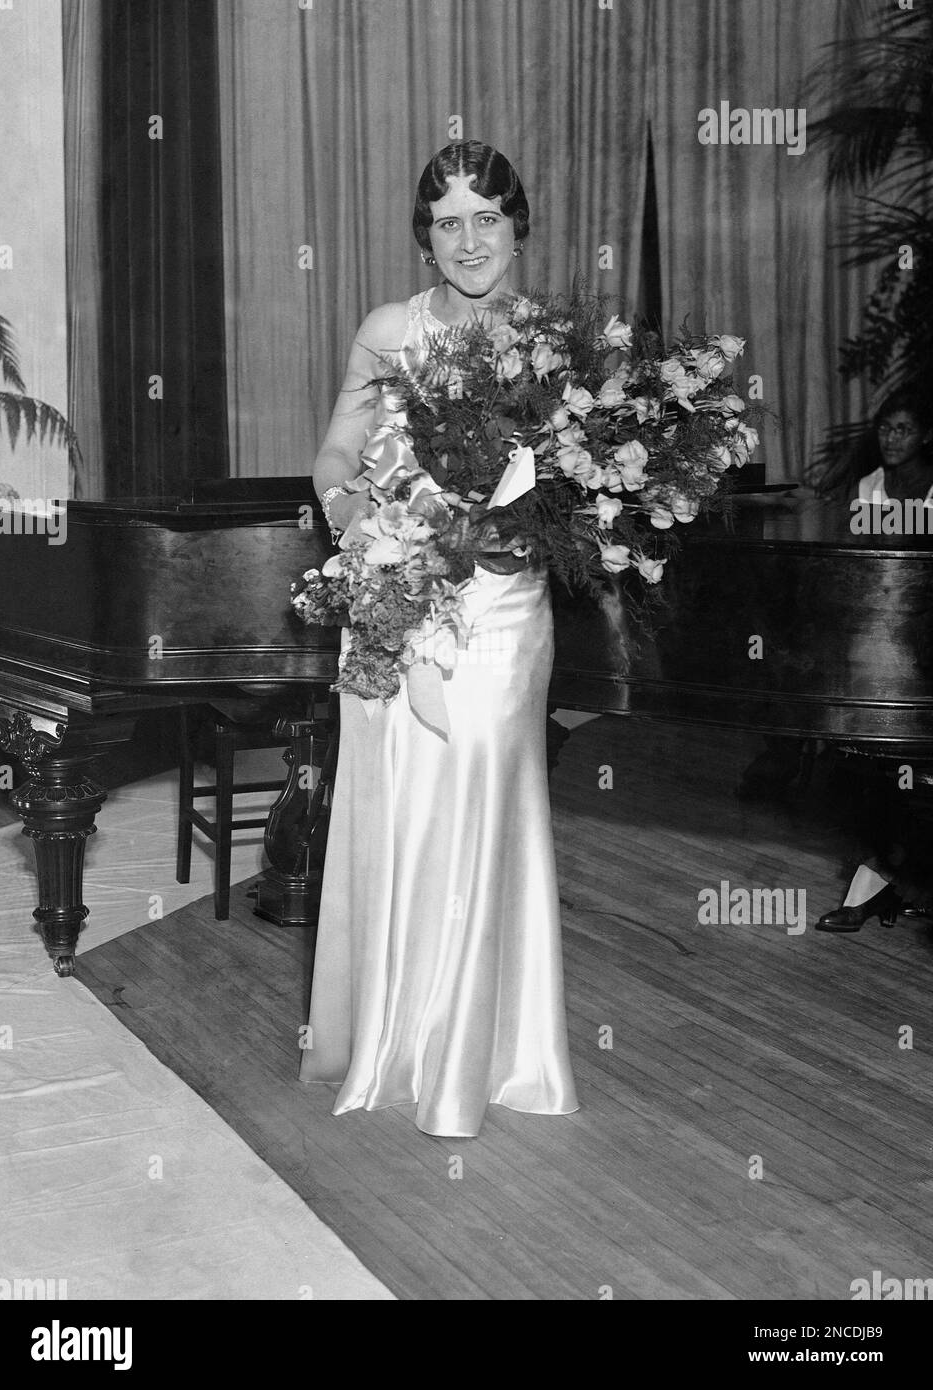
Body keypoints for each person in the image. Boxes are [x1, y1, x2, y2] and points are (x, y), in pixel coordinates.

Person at [298, 142, 579, 1136]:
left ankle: (479, 1052)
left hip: (503, 607)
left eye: (488, 219)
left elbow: (574, 483)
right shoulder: (388, 329)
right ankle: (392, 1036)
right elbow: (339, 443)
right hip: (394, 587)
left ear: (517, 224)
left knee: (480, 796)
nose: (470, 241)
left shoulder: (555, 340)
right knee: (397, 803)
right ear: (425, 234)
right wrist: (351, 520)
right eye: (449, 222)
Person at [816, 387, 933, 931]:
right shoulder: (868, 487)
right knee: (873, 766)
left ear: (925, 435)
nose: (891, 439)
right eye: (886, 429)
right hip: (883, 642)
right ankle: (878, 884)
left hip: (926, 642)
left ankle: (902, 884)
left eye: (904, 429)